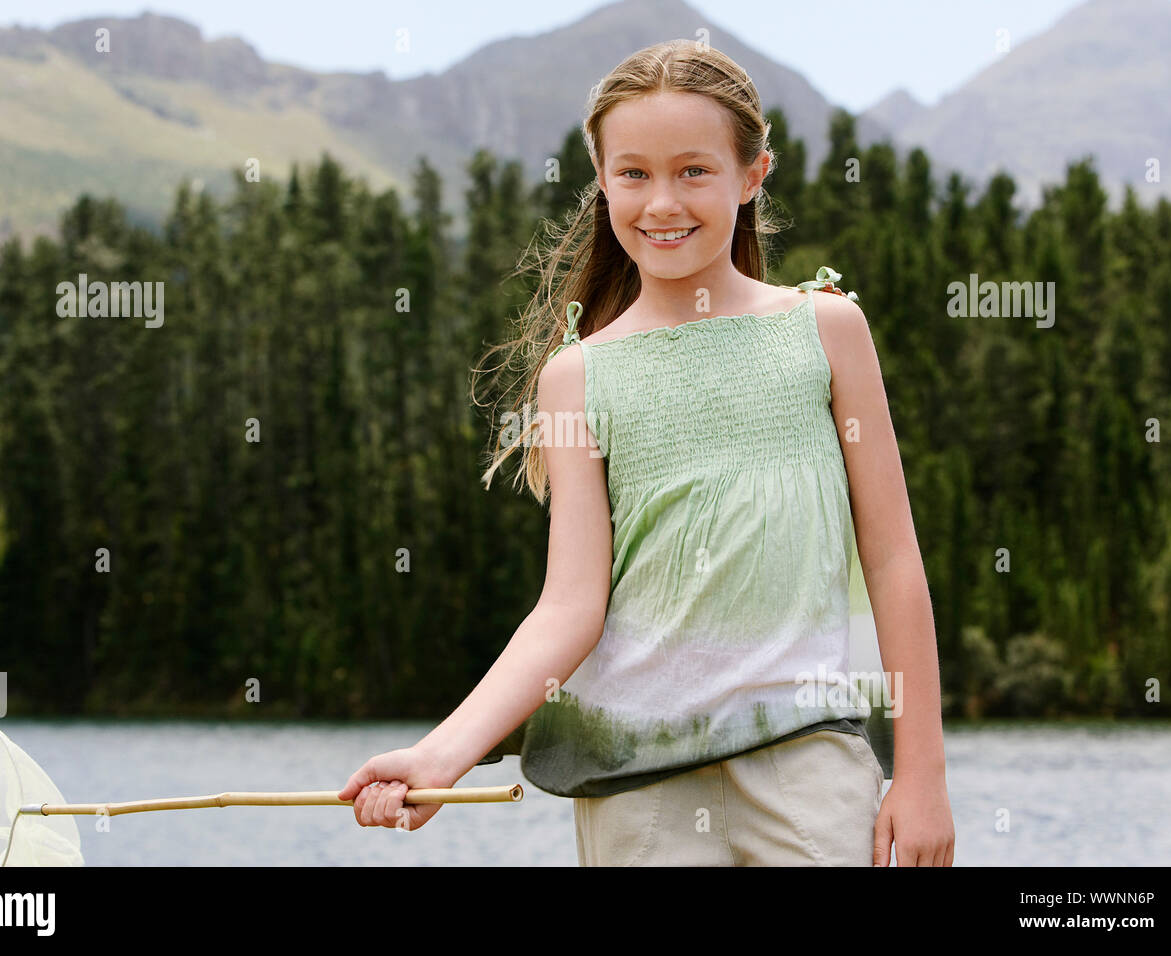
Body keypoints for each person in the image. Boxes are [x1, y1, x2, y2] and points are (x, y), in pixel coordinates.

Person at [337, 39, 954, 866]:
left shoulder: (827, 330)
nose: (662, 202)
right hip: (639, 790)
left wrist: (922, 779)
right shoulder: (575, 379)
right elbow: (569, 606)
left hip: (811, 763)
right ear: (600, 177)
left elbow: (892, 560)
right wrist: (444, 750)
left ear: (752, 175)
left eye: (694, 171)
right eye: (632, 174)